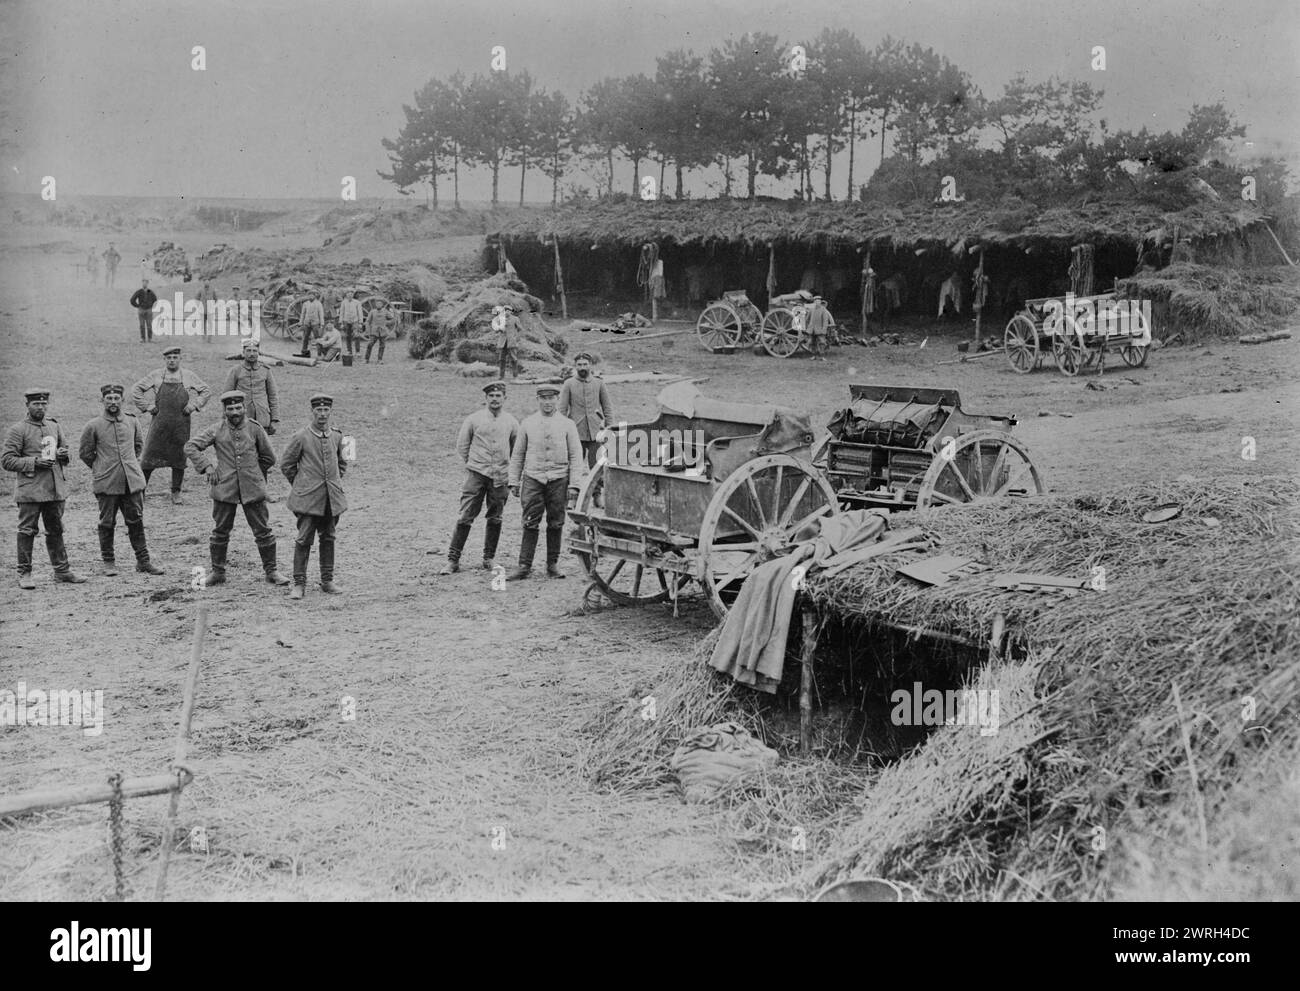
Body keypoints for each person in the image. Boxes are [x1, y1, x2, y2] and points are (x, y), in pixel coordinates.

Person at [183, 390, 289, 587]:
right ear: (224, 410)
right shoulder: (216, 429)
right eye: (230, 408)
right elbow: (191, 446)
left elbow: (269, 457)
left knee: (263, 531)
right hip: (225, 487)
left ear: (244, 408)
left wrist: (254, 473)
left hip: (252, 488)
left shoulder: (255, 429)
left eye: (238, 408)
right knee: (220, 531)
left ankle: (272, 571)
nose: (235, 412)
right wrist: (207, 466)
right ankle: (217, 572)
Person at [78, 384, 164, 577]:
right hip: (107, 483)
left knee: (136, 520)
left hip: (131, 482)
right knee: (107, 522)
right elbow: (85, 453)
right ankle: (108, 562)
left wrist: (129, 467)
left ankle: (143, 561)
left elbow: (138, 446)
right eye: (109, 399)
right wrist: (102, 467)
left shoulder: (132, 421)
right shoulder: (93, 425)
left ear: (122, 400)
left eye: (117, 398)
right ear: (103, 401)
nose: (113, 402)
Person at [2, 389, 85, 588]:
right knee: (27, 530)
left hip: (55, 489)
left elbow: (64, 456)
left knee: (56, 529)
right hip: (30, 491)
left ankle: (62, 571)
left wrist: (63, 454)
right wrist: (34, 462)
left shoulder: (54, 426)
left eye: (43, 404)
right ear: (27, 406)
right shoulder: (18, 430)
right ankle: (25, 573)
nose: (40, 407)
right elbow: (7, 460)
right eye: (36, 404)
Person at [441, 382, 519, 575]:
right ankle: (453, 560)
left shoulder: (511, 421)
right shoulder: (473, 419)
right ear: (486, 399)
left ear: (504, 398)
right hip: (476, 474)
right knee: (465, 516)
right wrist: (475, 464)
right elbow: (462, 446)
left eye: (498, 395)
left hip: (500, 476)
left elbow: (516, 449)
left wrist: (506, 469)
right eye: (491, 395)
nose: (494, 399)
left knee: (495, 517)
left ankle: (489, 558)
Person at [506, 385, 582, 581]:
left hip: (559, 479)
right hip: (533, 478)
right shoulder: (528, 423)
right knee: (530, 521)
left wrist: (574, 485)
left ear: (557, 400)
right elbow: (518, 454)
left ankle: (552, 564)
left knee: (556, 522)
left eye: (551, 398)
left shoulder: (567, 424)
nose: (547, 402)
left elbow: (576, 456)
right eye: (543, 398)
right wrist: (513, 480)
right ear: (537, 400)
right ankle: (524, 565)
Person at [280, 393, 348, 599]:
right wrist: (302, 485)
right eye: (318, 410)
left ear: (330, 412)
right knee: (303, 540)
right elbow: (286, 465)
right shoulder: (301, 436)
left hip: (331, 500)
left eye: (326, 410)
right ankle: (299, 584)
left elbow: (342, 464)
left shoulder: (338, 436)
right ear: (312, 412)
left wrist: (333, 485)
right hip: (308, 500)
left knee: (328, 537)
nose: (322, 414)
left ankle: (327, 580)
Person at [131, 346, 212, 503]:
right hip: (160, 422)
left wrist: (193, 406)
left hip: (181, 422)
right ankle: (141, 491)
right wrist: (147, 407)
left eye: (175, 357)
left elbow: (206, 391)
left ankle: (176, 492)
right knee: (148, 457)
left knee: (179, 457)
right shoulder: (156, 375)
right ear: (164, 360)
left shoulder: (188, 376)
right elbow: (136, 389)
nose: (172, 360)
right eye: (169, 358)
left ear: (180, 359)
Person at [559, 352, 614, 469]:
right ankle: (575, 487)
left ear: (590, 365)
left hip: (596, 431)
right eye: (579, 365)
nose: (582, 367)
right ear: (575, 366)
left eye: (585, 364)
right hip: (576, 431)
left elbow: (607, 407)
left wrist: (610, 428)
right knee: (575, 465)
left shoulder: (599, 383)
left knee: (597, 466)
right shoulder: (569, 384)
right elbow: (562, 409)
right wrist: (561, 431)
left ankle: (597, 487)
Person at [224, 339, 280, 435]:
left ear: (258, 353)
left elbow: (273, 396)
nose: (252, 354)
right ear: (243, 353)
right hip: (241, 417)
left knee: (262, 447)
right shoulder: (236, 370)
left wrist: (275, 419)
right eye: (248, 351)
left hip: (262, 417)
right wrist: (226, 419)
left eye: (255, 351)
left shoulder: (266, 370)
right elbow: (226, 396)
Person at [496, 303, 522, 380]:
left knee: (514, 359)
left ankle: (515, 376)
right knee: (501, 359)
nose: (506, 312)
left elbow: (520, 330)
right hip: (502, 342)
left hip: (511, 342)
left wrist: (517, 338)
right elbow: (496, 330)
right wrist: (499, 329)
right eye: (505, 311)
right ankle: (501, 376)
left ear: (511, 312)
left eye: (508, 311)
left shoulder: (515, 319)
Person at [130, 277, 158, 344]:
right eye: (143, 282)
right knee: (142, 325)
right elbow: (132, 300)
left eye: (146, 282)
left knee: (149, 325)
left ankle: (150, 338)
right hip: (141, 310)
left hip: (149, 310)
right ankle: (142, 338)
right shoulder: (139, 291)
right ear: (142, 283)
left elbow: (155, 299)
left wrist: (150, 305)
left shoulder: (150, 291)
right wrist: (137, 306)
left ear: (147, 283)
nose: (144, 284)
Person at [364, 300, 393, 364]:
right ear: (375, 305)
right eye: (377, 304)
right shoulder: (372, 312)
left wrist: (387, 323)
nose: (378, 305)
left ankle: (379, 359)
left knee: (382, 346)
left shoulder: (385, 311)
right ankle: (366, 359)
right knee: (370, 344)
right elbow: (368, 321)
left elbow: (392, 318)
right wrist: (368, 330)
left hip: (382, 331)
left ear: (382, 305)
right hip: (374, 331)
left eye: (380, 304)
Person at [298, 292, 325, 356]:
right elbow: (303, 314)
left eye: (312, 295)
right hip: (307, 323)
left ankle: (319, 352)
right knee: (305, 337)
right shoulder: (305, 304)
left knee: (317, 338)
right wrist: (301, 322)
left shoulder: (318, 303)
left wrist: (322, 323)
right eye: (310, 295)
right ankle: (304, 351)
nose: (311, 297)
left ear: (315, 296)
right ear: (308, 296)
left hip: (315, 323)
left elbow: (321, 314)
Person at [806, 296, 833, 361]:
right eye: (815, 301)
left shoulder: (823, 310)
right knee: (812, 342)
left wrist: (824, 329)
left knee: (822, 342)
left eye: (818, 301)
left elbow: (825, 321)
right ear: (814, 302)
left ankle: (822, 356)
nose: (817, 302)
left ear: (820, 302)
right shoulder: (811, 309)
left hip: (820, 329)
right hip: (812, 329)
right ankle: (814, 355)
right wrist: (808, 327)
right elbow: (807, 319)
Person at [338, 289, 364, 355]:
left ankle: (357, 351)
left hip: (355, 321)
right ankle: (349, 351)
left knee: (356, 336)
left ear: (353, 295)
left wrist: (360, 322)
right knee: (347, 336)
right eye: (348, 294)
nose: (349, 295)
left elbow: (360, 312)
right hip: (346, 321)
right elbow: (341, 312)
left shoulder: (357, 302)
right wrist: (341, 323)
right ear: (346, 295)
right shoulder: (343, 302)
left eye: (351, 294)